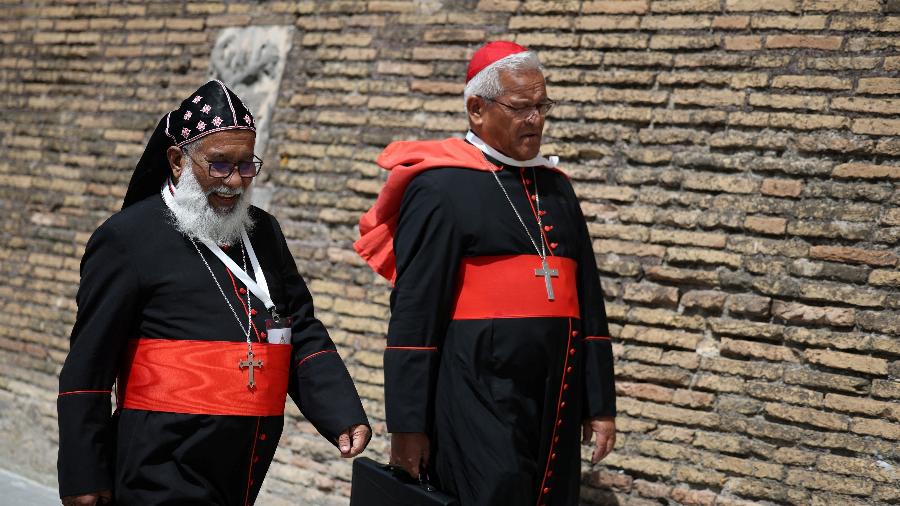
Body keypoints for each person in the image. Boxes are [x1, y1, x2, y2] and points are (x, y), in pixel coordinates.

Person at [57, 80, 370, 506]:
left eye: (246, 166)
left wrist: (340, 410)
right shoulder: (126, 238)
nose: (235, 182)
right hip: (160, 459)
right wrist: (83, 472)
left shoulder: (265, 233)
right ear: (177, 161)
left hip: (243, 462)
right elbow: (88, 364)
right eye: (219, 165)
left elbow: (298, 326)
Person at [354, 41, 616, 506]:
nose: (535, 119)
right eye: (520, 107)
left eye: (542, 105)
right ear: (477, 109)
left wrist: (599, 404)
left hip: (555, 396)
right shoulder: (439, 186)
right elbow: (414, 314)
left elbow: (588, 304)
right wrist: (408, 426)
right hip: (476, 397)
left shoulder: (556, 189)